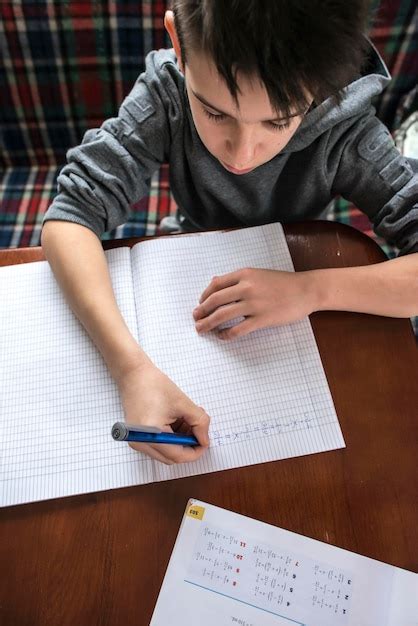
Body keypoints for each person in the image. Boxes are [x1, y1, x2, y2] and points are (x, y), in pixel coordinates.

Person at [41, 0, 418, 465]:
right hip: (187, 257)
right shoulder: (168, 96)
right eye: (216, 113)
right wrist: (132, 370)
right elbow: (68, 218)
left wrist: (310, 288)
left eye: (278, 121)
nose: (242, 155)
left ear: (323, 84)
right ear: (178, 43)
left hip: (299, 294)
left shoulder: (347, 134)